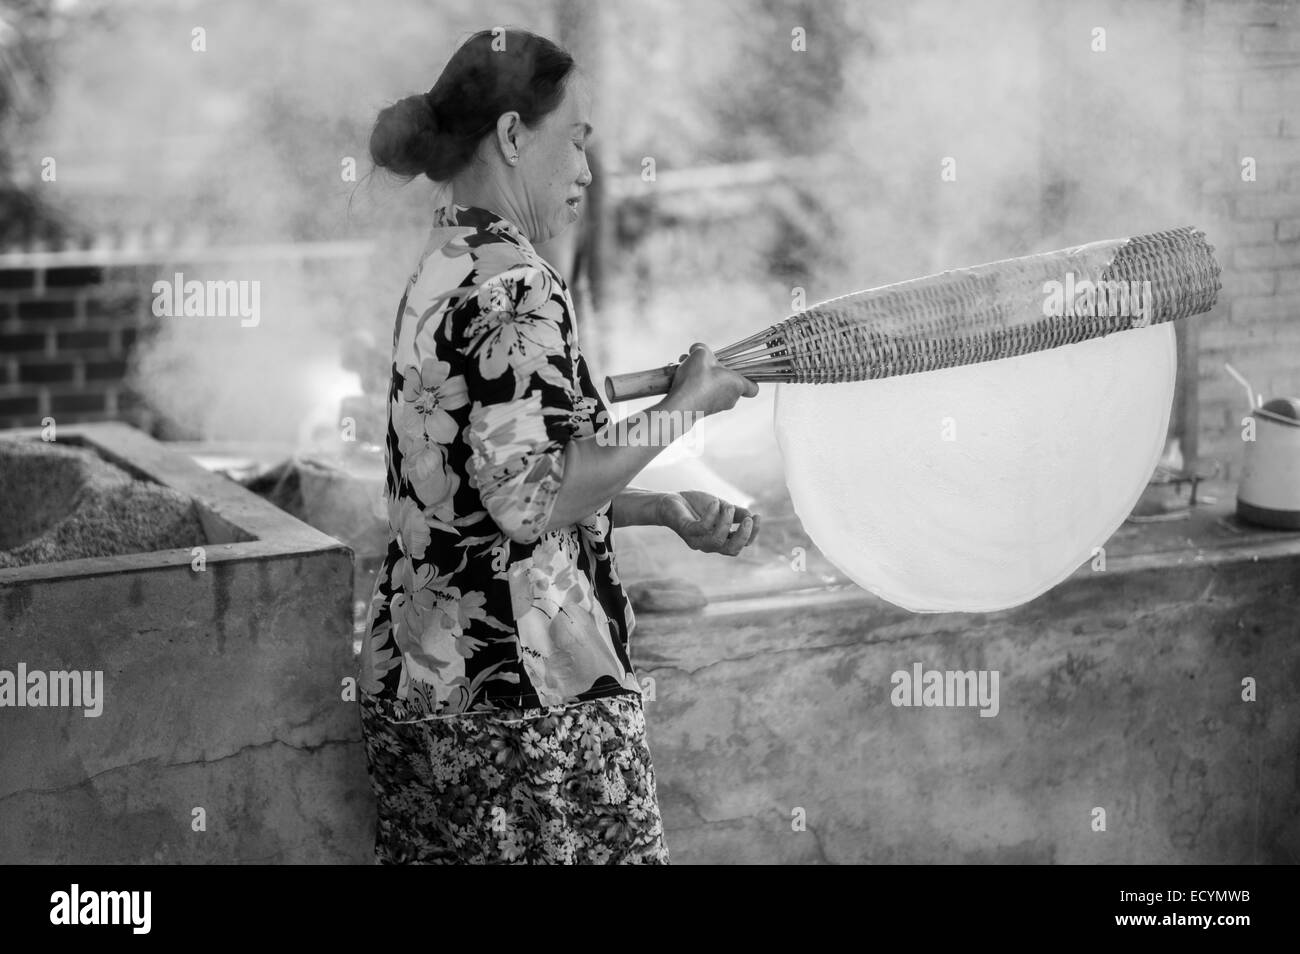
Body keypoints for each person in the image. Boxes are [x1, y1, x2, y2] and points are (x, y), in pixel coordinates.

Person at [358, 27, 760, 864]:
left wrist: (655, 509)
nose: (585, 170)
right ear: (512, 135)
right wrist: (689, 405)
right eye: (575, 141)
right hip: (524, 707)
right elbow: (535, 498)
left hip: (427, 683)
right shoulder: (517, 281)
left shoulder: (442, 262)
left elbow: (487, 486)